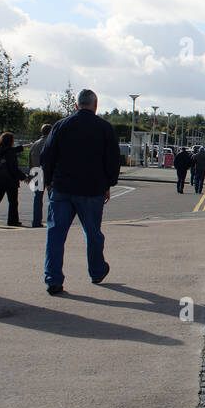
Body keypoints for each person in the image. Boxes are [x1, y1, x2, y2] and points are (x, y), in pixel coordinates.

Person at [39, 89, 119, 295]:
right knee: (93, 233)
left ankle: (53, 279)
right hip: (92, 190)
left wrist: (48, 181)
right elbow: (112, 160)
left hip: (62, 188)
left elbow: (46, 156)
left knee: (56, 234)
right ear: (96, 105)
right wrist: (108, 184)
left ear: (76, 105)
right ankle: (96, 270)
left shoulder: (60, 126)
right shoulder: (105, 128)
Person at [28, 123, 52, 227]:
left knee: (37, 198)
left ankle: (36, 221)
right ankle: (51, 220)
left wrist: (30, 175)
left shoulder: (35, 144)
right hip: (48, 173)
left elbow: (30, 160)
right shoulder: (51, 142)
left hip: (36, 171)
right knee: (52, 198)